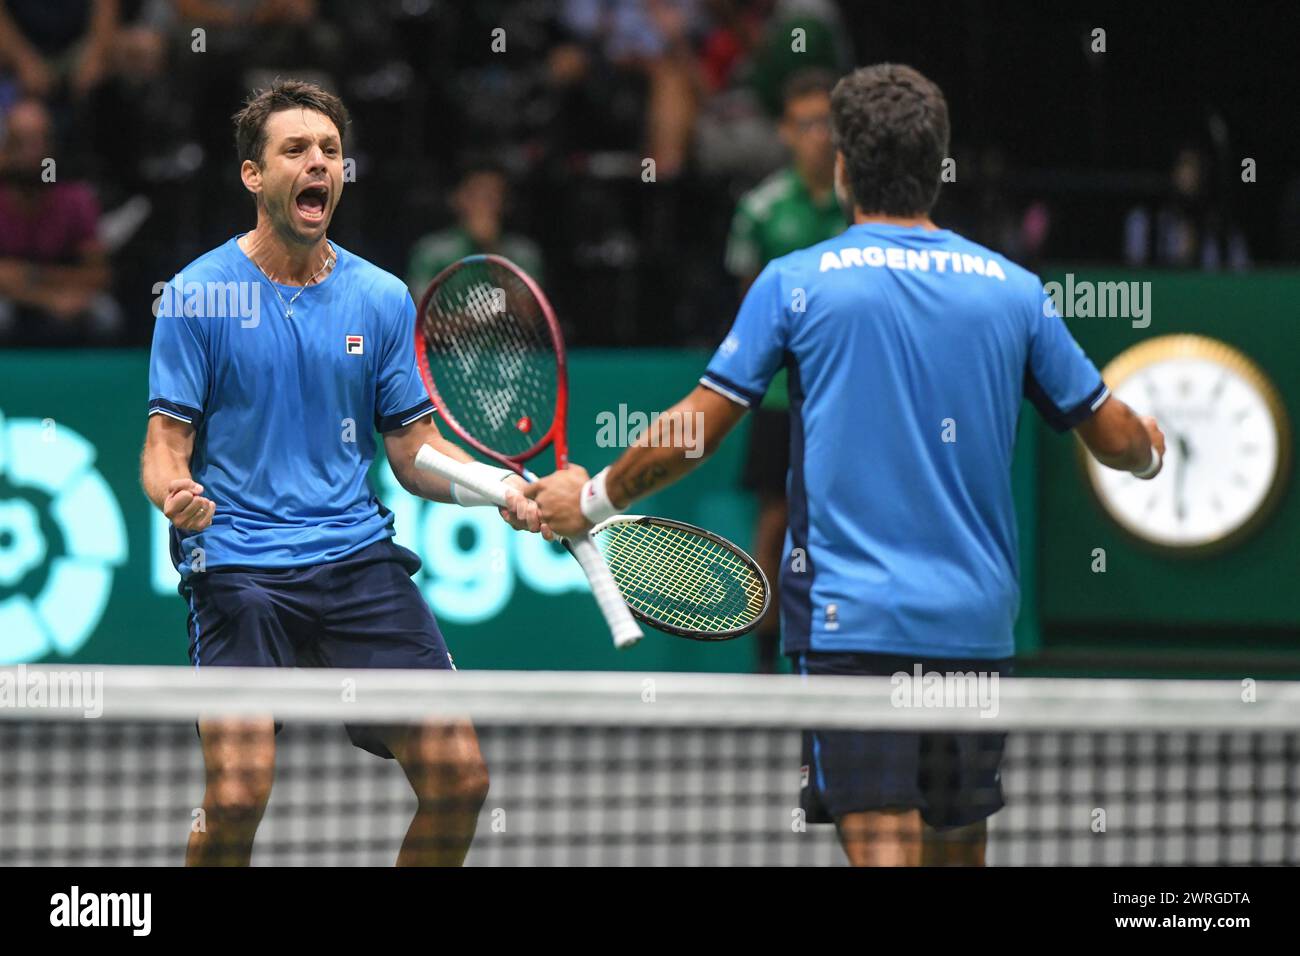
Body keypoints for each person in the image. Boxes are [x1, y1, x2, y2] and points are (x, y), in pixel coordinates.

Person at [523, 64, 1166, 867]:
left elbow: (700, 428)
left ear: (841, 167)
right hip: (974, 625)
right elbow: (1116, 440)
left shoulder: (795, 284)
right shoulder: (1016, 292)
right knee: (958, 851)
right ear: (939, 165)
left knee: (884, 847)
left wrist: (592, 497)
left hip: (851, 624)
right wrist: (1150, 448)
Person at [141, 79, 543, 866]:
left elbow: (412, 452)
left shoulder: (382, 298)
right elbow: (164, 444)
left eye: (330, 150)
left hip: (357, 561)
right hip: (240, 566)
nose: (318, 163)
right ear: (255, 176)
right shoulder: (198, 295)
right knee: (232, 798)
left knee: (461, 779)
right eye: (295, 149)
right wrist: (175, 495)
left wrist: (502, 488)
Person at [724, 69, 842, 673]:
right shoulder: (762, 209)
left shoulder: (862, 205)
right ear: (785, 132)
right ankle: (764, 662)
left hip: (847, 398)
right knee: (774, 525)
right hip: (778, 398)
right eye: (806, 124)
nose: (819, 136)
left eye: (828, 123)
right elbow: (753, 313)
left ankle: (835, 649)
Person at [0, 97, 113, 345]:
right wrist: (48, 298)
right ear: (5, 148)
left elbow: (99, 275)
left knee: (105, 314)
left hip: (66, 297)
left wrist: (30, 275)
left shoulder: (76, 200)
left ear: (51, 147)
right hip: (18, 300)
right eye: (19, 142)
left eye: (36, 141)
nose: (28, 153)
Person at [407, 160, 542, 299]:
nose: (484, 204)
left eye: (493, 196)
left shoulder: (524, 253)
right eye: (477, 194)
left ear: (507, 203)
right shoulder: (431, 251)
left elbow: (529, 314)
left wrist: (492, 248)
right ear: (456, 199)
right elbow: (421, 313)